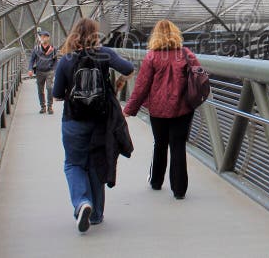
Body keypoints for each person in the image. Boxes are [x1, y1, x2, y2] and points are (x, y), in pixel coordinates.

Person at [52, 18, 134, 233]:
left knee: (73, 164)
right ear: (95, 34)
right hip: (101, 121)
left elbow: (57, 94)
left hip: (73, 121)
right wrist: (118, 84)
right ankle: (96, 215)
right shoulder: (104, 53)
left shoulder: (67, 59)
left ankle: (81, 203)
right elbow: (128, 67)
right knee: (97, 162)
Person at [123, 19, 199, 200]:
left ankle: (156, 181)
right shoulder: (186, 54)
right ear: (175, 34)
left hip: (158, 109)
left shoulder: (152, 57)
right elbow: (199, 75)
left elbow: (141, 86)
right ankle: (179, 190)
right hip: (183, 108)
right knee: (178, 145)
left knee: (160, 144)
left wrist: (129, 109)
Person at [27, 30, 57, 114]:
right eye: (41, 36)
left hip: (49, 71)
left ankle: (50, 106)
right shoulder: (36, 49)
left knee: (49, 88)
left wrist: (54, 70)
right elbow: (32, 60)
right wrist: (30, 69)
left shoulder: (53, 49)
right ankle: (43, 107)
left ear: (48, 38)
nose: (42, 38)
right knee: (40, 90)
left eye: (44, 36)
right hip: (39, 71)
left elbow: (55, 61)